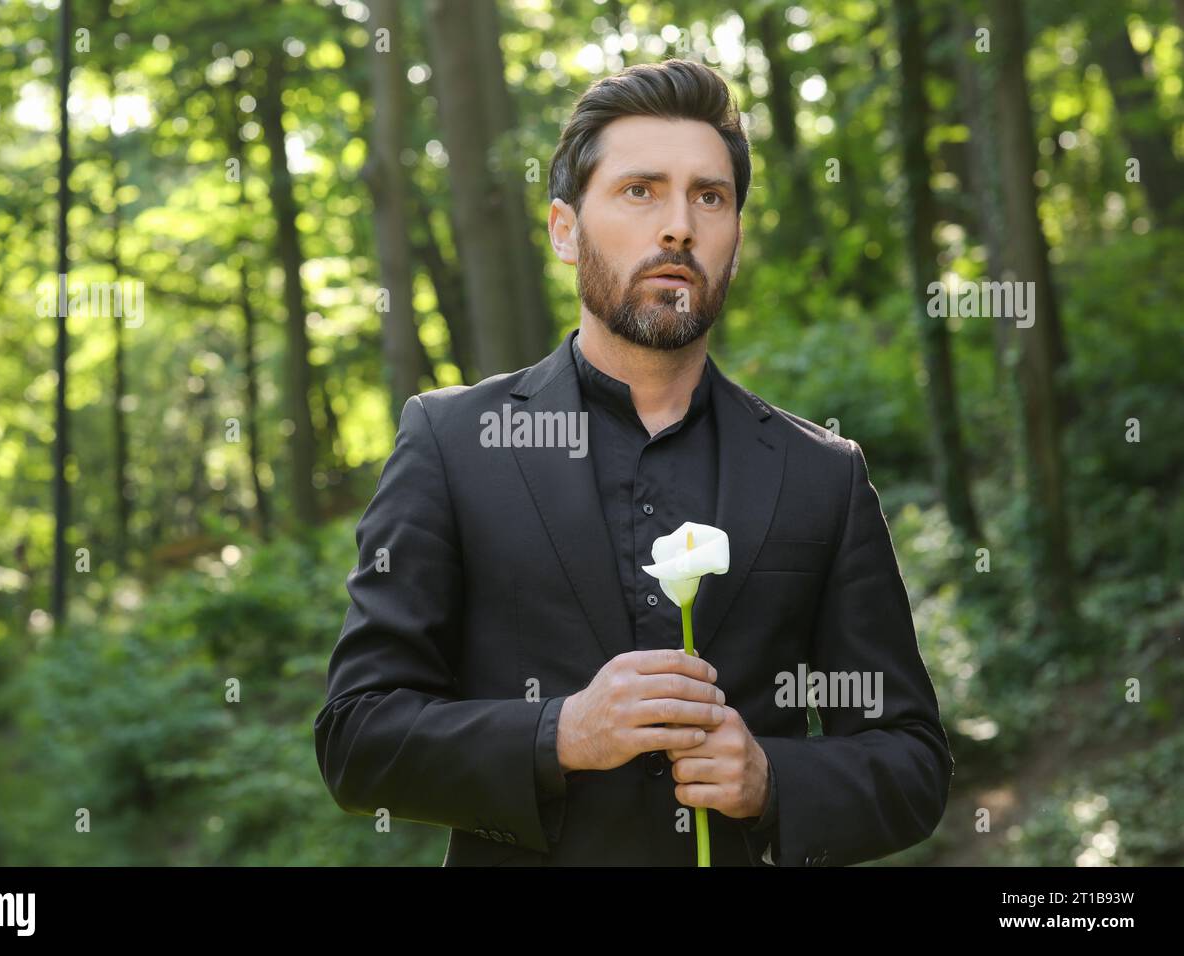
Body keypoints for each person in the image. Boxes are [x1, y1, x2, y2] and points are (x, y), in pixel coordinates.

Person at [314, 57, 953, 866]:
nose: (679, 224)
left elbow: (914, 763)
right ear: (564, 229)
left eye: (709, 197)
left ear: (734, 240)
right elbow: (356, 737)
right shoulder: (449, 443)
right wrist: (561, 734)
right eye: (639, 190)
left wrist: (771, 780)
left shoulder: (822, 473)